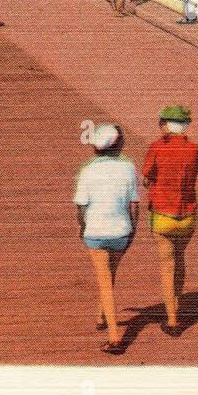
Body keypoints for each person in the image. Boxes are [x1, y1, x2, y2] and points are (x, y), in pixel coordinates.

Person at [73, 123, 139, 354]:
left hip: (96, 232)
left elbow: (81, 206)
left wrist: (82, 228)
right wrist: (133, 230)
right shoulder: (129, 168)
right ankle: (101, 316)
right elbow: (134, 204)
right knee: (110, 275)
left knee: (105, 281)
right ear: (119, 145)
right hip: (121, 231)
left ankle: (115, 338)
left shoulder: (87, 170)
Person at [142, 105, 198, 336]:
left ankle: (173, 319)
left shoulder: (157, 147)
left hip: (162, 216)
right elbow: (195, 173)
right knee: (180, 259)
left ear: (165, 124)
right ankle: (176, 306)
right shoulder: (195, 149)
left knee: (167, 266)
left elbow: (147, 176)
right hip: (187, 216)